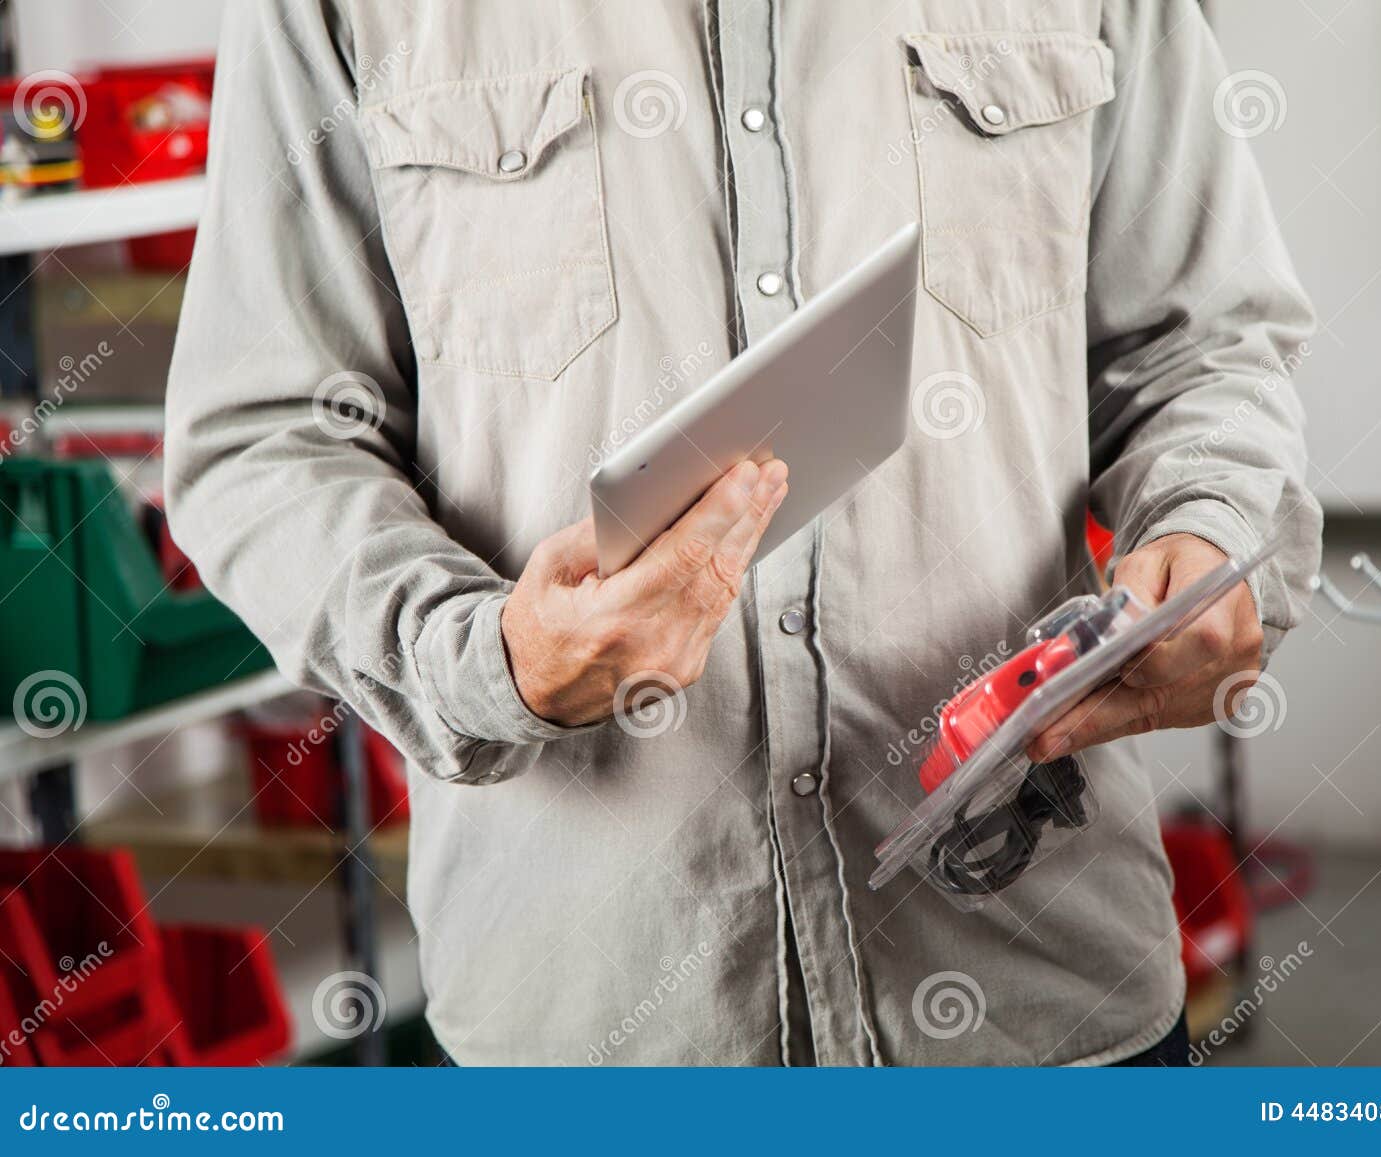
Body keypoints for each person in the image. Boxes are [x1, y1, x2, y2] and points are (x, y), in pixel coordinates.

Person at [166, 0, 1320, 1066]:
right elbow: (267, 436)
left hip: (1039, 999)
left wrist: (1208, 526)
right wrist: (491, 659)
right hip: (600, 1038)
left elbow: (1203, 344)